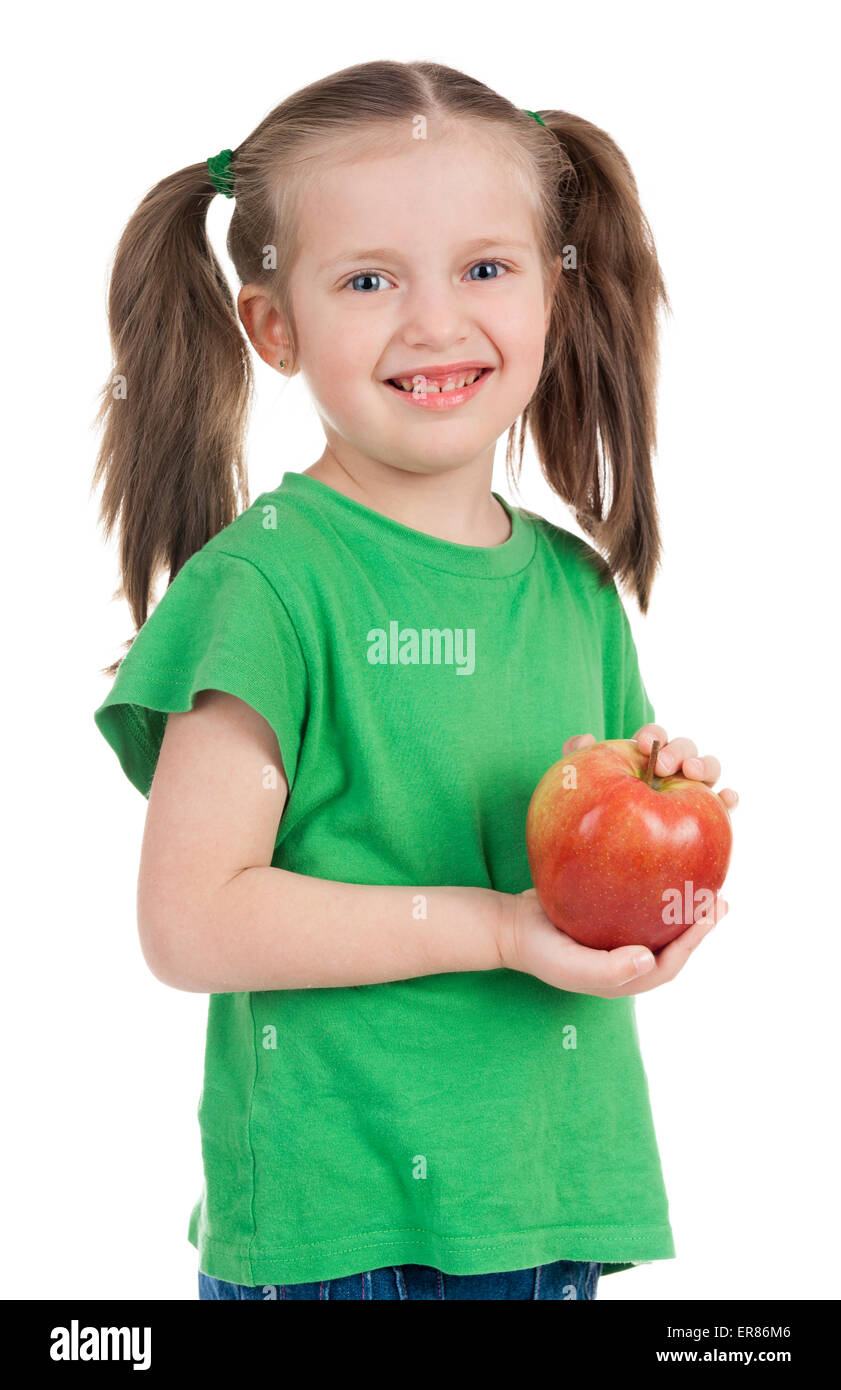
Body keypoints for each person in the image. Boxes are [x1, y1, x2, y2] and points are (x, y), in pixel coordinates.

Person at [92, 59, 738, 1302]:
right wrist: (495, 929)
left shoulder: (573, 590)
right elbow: (189, 920)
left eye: (485, 268)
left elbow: (576, 894)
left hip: (546, 1206)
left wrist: (659, 871)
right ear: (273, 327)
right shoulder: (267, 588)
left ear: (555, 288)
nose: (436, 323)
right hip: (350, 1237)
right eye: (370, 279)